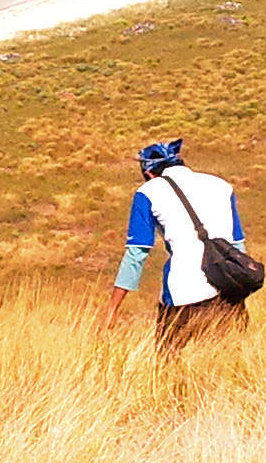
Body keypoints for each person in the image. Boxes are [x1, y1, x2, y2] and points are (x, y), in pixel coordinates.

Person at [102, 138, 251, 353]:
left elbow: (137, 253)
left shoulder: (148, 192)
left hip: (183, 296)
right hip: (228, 296)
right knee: (227, 367)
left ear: (149, 173)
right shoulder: (221, 186)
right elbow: (237, 246)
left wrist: (112, 308)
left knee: (168, 368)